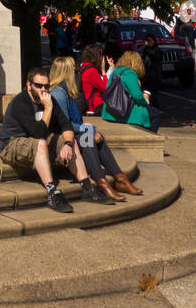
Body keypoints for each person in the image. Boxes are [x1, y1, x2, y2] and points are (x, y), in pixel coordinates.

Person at [0, 66, 96, 213]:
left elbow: (66, 125)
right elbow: (38, 133)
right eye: (38, 85)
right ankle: (52, 193)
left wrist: (68, 144)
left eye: (46, 86)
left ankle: (87, 187)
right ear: (29, 85)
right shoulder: (20, 102)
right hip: (11, 144)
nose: (43, 89)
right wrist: (48, 108)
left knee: (70, 140)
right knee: (41, 143)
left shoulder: (50, 99)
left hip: (36, 143)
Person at [48, 55, 143, 202]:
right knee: (88, 139)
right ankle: (101, 182)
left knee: (96, 137)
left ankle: (120, 177)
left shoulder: (65, 90)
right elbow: (64, 123)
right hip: (62, 135)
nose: (76, 72)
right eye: (73, 69)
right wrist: (89, 129)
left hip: (71, 130)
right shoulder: (58, 93)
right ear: (66, 72)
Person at [101, 51, 159, 132]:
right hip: (124, 112)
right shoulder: (130, 73)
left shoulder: (115, 71)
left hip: (110, 112)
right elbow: (137, 96)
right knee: (155, 113)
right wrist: (145, 100)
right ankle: (151, 139)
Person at [79, 44, 108, 115]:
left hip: (88, 103)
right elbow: (105, 87)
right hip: (95, 105)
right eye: (101, 55)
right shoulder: (92, 71)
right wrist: (103, 71)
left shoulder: (83, 67)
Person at [141, 32, 163, 108]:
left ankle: (155, 107)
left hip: (155, 74)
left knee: (154, 93)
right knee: (147, 91)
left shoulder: (156, 49)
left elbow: (155, 57)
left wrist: (148, 48)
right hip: (147, 74)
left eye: (149, 40)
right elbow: (143, 60)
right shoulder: (145, 50)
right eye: (146, 40)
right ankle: (150, 106)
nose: (147, 42)